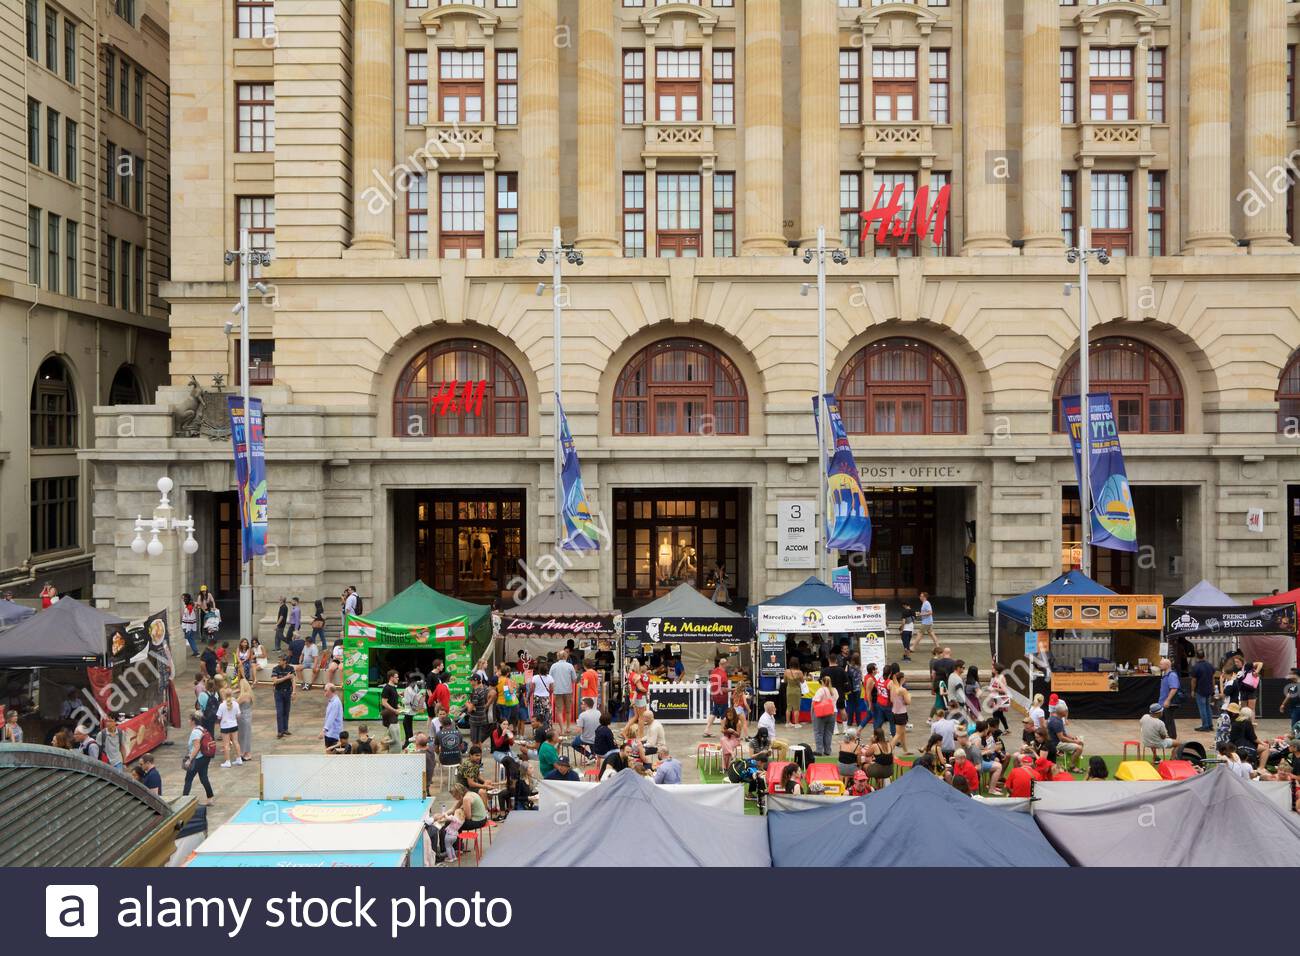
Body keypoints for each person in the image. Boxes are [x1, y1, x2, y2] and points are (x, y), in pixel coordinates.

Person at [430, 784, 487, 864]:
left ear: (458, 793)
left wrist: (455, 817)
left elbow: (468, 817)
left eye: (454, 795)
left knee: (450, 824)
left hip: (478, 821)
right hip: (482, 818)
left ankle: (448, 850)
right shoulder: (469, 794)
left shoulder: (466, 798)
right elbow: (453, 809)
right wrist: (442, 815)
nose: (454, 798)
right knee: (452, 822)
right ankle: (456, 847)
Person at [181, 711, 214, 804]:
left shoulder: (195, 732)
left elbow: (196, 747)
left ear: (193, 721)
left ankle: (184, 800)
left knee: (188, 779)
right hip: (205, 757)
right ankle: (210, 797)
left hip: (198, 758)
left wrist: (190, 759)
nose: (188, 721)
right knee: (203, 777)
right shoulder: (202, 729)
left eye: (189, 719)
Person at [1047, 703, 1084, 771]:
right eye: (1066, 711)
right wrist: (1075, 741)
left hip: (1056, 741)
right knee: (1079, 748)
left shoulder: (1057, 718)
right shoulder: (1057, 722)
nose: (1067, 712)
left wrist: (1073, 737)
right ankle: (1072, 766)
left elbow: (1064, 733)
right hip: (1055, 744)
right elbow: (1062, 738)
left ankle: (1073, 760)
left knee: (1080, 742)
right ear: (1062, 712)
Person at [549, 648, 577, 734]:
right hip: (568, 690)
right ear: (566, 656)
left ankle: (562, 729)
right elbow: (574, 679)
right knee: (568, 710)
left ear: (558, 657)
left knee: (559, 711)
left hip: (557, 691)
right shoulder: (570, 666)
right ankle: (568, 727)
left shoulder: (553, 666)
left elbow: (550, 678)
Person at [1190, 648, 1216, 732]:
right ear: (1204, 656)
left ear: (1196, 657)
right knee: (1208, 707)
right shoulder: (1210, 665)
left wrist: (1193, 690)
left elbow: (1194, 680)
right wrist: (1213, 688)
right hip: (1209, 690)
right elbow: (1213, 678)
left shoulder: (1196, 667)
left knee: (1202, 708)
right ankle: (1210, 724)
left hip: (1200, 690)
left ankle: (1205, 725)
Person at [810, 680, 838, 756]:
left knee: (818, 732)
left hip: (821, 713)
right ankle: (827, 750)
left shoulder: (821, 690)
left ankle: (819, 750)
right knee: (829, 732)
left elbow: (814, 702)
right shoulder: (835, 690)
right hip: (833, 712)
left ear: (822, 682)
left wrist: (811, 713)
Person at [270, 652, 294, 738]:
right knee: (280, 712)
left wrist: (294, 692)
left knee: (286, 711)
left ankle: (285, 729)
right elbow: (275, 681)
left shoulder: (290, 668)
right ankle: (280, 731)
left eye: (280, 660)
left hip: (288, 692)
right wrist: (286, 678)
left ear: (285, 661)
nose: (278, 661)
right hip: (278, 692)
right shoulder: (275, 669)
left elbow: (293, 680)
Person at [216, 688, 242, 768]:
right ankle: (239, 758)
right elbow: (238, 715)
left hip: (225, 727)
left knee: (226, 744)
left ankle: (227, 761)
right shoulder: (236, 704)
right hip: (234, 725)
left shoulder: (222, 705)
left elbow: (219, 717)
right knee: (236, 742)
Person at [704, 657, 730, 737]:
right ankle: (723, 731)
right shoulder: (723, 675)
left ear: (719, 664)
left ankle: (707, 730)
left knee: (714, 712)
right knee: (724, 715)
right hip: (722, 697)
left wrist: (713, 693)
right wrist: (734, 689)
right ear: (725, 664)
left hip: (715, 695)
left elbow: (712, 684)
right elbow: (724, 689)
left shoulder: (713, 671)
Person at [1157, 657, 1181, 740]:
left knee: (1169, 721)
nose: (1159, 665)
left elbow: (1174, 688)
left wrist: (1167, 700)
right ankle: (1165, 736)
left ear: (1167, 665)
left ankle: (1173, 738)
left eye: (1161, 664)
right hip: (1163, 702)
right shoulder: (1165, 675)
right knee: (1163, 720)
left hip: (1168, 703)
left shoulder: (1172, 675)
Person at [378, 669, 402, 751]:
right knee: (394, 736)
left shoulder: (393, 687)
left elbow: (393, 701)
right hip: (389, 714)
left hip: (393, 713)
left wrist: (398, 706)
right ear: (391, 678)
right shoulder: (387, 688)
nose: (398, 678)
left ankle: (384, 746)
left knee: (392, 734)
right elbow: (384, 703)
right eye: (396, 677)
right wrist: (394, 710)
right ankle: (384, 745)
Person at [528, 660, 554, 731]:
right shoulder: (550, 677)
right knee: (547, 715)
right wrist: (548, 694)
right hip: (546, 698)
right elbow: (552, 689)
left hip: (537, 698)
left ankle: (537, 731)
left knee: (537, 715)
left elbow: (532, 689)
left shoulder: (535, 677)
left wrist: (529, 696)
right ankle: (548, 731)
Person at [890, 670, 912, 753]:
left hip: (895, 712)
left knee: (902, 734)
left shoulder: (893, 688)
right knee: (898, 734)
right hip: (901, 713)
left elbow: (891, 700)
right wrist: (909, 696)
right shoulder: (902, 690)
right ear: (902, 679)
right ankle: (889, 751)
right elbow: (908, 702)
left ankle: (905, 751)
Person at [626, 660, 650, 733]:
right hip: (638, 696)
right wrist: (647, 691)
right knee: (641, 717)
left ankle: (626, 731)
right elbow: (640, 688)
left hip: (632, 695)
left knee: (635, 716)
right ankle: (640, 734)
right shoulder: (636, 676)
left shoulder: (630, 674)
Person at [320, 682, 344, 750]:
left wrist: (324, 731)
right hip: (329, 733)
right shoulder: (331, 701)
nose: (324, 692)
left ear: (331, 691)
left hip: (333, 734)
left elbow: (331, 718)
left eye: (326, 690)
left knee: (331, 753)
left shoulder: (335, 702)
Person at [236, 674, 254, 761]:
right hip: (247, 716)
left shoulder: (244, 695)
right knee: (246, 735)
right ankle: (246, 752)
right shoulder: (249, 694)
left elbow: (235, 703)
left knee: (243, 736)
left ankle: (244, 753)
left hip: (243, 717)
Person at [784, 660, 804, 728]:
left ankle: (787, 723)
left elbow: (785, 680)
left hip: (789, 689)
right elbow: (802, 681)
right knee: (796, 708)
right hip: (796, 690)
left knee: (788, 707)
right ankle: (796, 723)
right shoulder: (799, 672)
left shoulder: (786, 671)